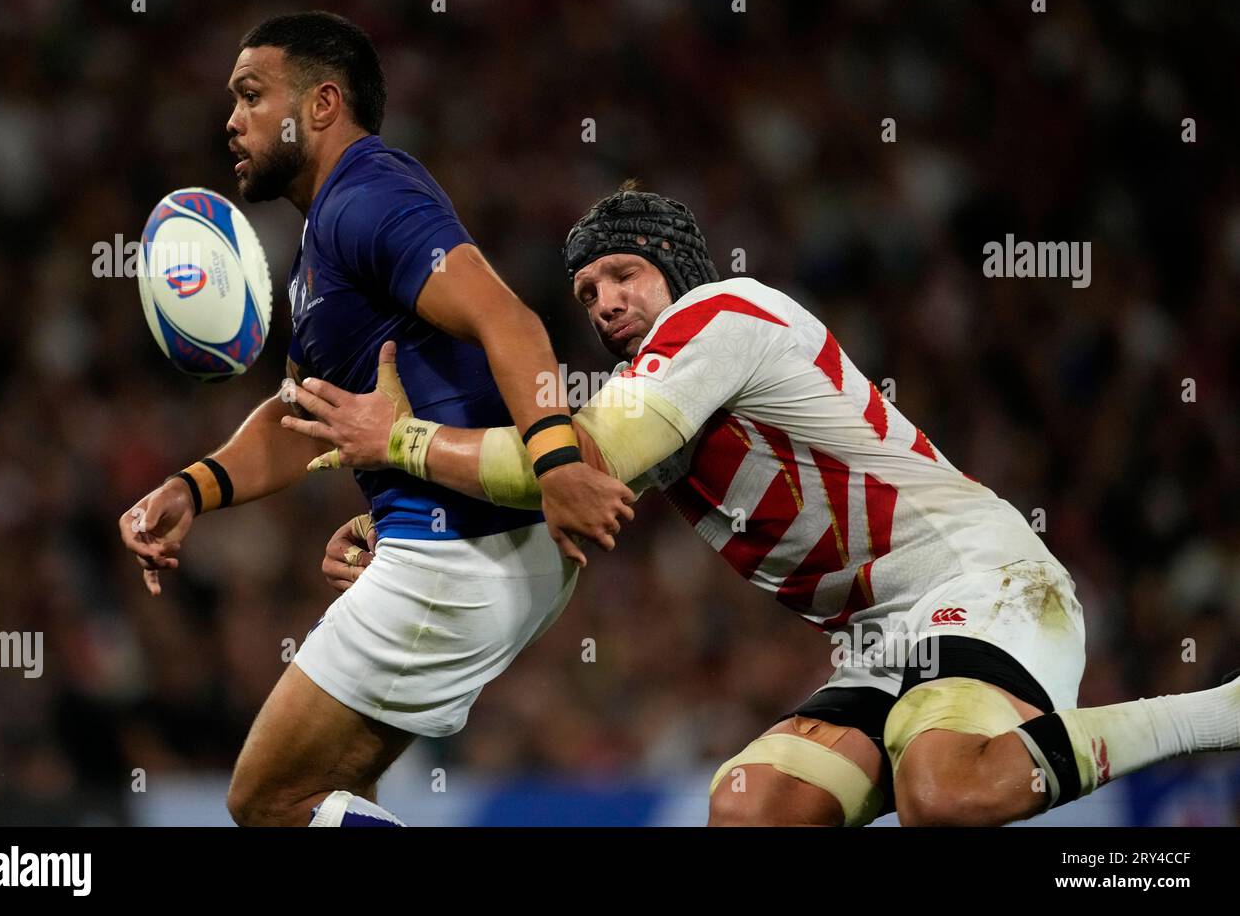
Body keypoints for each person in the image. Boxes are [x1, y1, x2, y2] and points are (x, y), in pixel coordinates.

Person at [287, 182, 1240, 826]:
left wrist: (400, 442)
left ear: (676, 268)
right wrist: (406, 534)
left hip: (986, 581)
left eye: (623, 273)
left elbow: (571, 456)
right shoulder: (658, 401)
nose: (604, 302)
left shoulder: (725, 315)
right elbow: (549, 505)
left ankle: (1218, 713)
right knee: (750, 807)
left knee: (942, 791)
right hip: (886, 644)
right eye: (586, 290)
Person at [116, 12, 634, 828]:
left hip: (456, 552)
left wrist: (559, 461)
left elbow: (510, 322)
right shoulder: (318, 248)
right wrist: (194, 487)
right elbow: (299, 416)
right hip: (473, 545)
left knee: (269, 800)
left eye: (252, 95)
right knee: (339, 802)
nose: (231, 120)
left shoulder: (368, 195)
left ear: (322, 104)